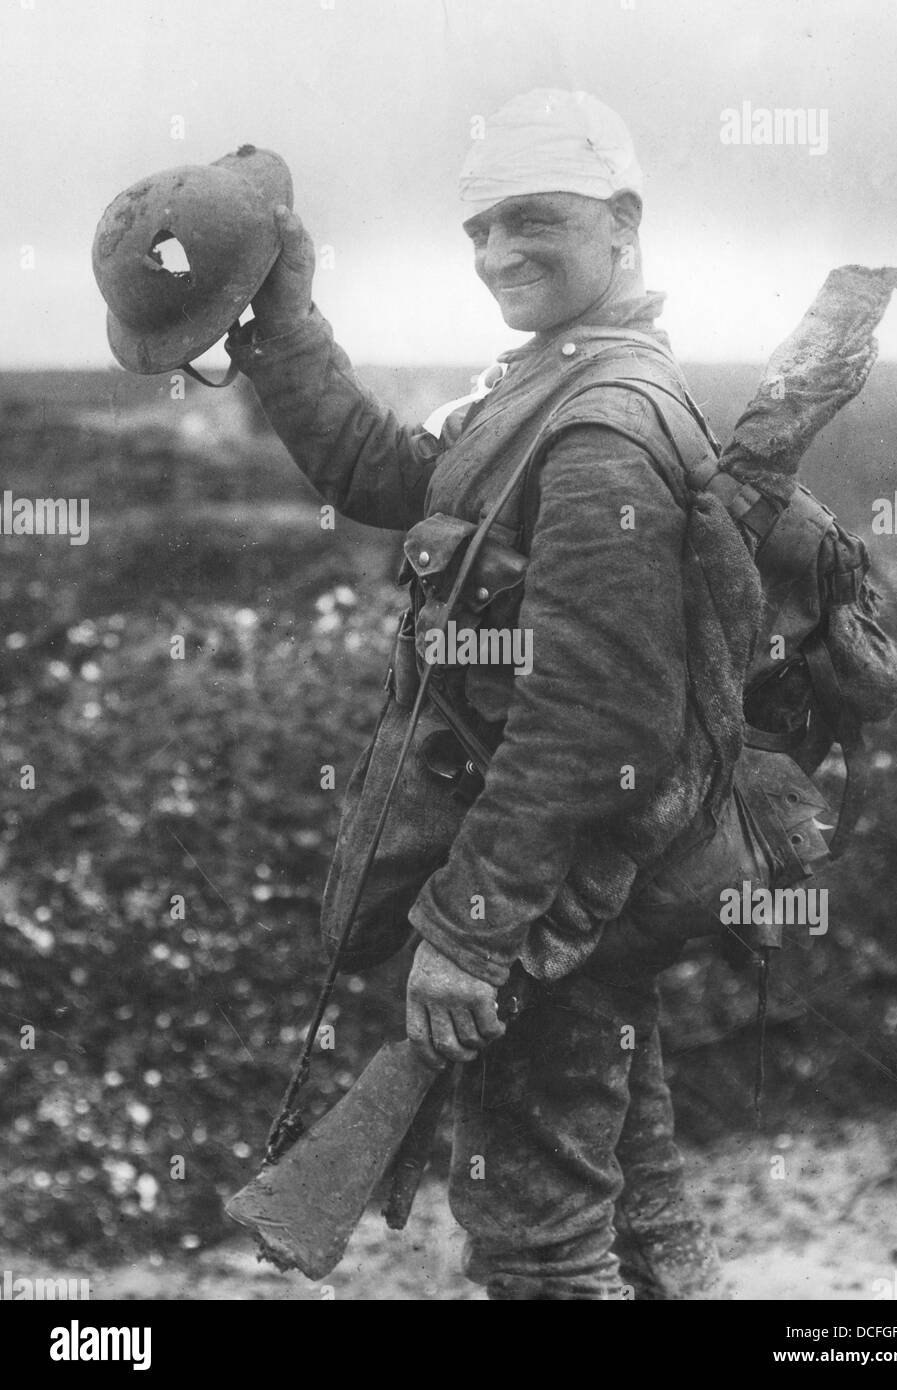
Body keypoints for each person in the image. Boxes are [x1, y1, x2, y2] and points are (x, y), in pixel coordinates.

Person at [227, 89, 760, 1300]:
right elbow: (392, 473)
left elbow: (593, 716)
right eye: (477, 230)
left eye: (531, 222)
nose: (495, 255)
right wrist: (283, 317)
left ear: (621, 221)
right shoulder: (545, 388)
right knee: (636, 1193)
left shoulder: (598, 432)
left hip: (549, 900)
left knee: (540, 1240)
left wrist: (469, 932)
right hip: (591, 888)